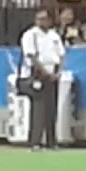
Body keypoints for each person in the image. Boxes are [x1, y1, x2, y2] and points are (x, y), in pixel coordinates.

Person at [20, 9, 65, 151]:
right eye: (39, 19)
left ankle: (52, 141)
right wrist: (45, 73)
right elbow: (32, 57)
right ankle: (35, 141)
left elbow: (61, 55)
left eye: (45, 19)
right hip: (37, 74)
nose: (42, 21)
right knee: (38, 109)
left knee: (51, 109)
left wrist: (58, 72)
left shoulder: (54, 35)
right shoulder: (30, 35)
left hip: (53, 73)